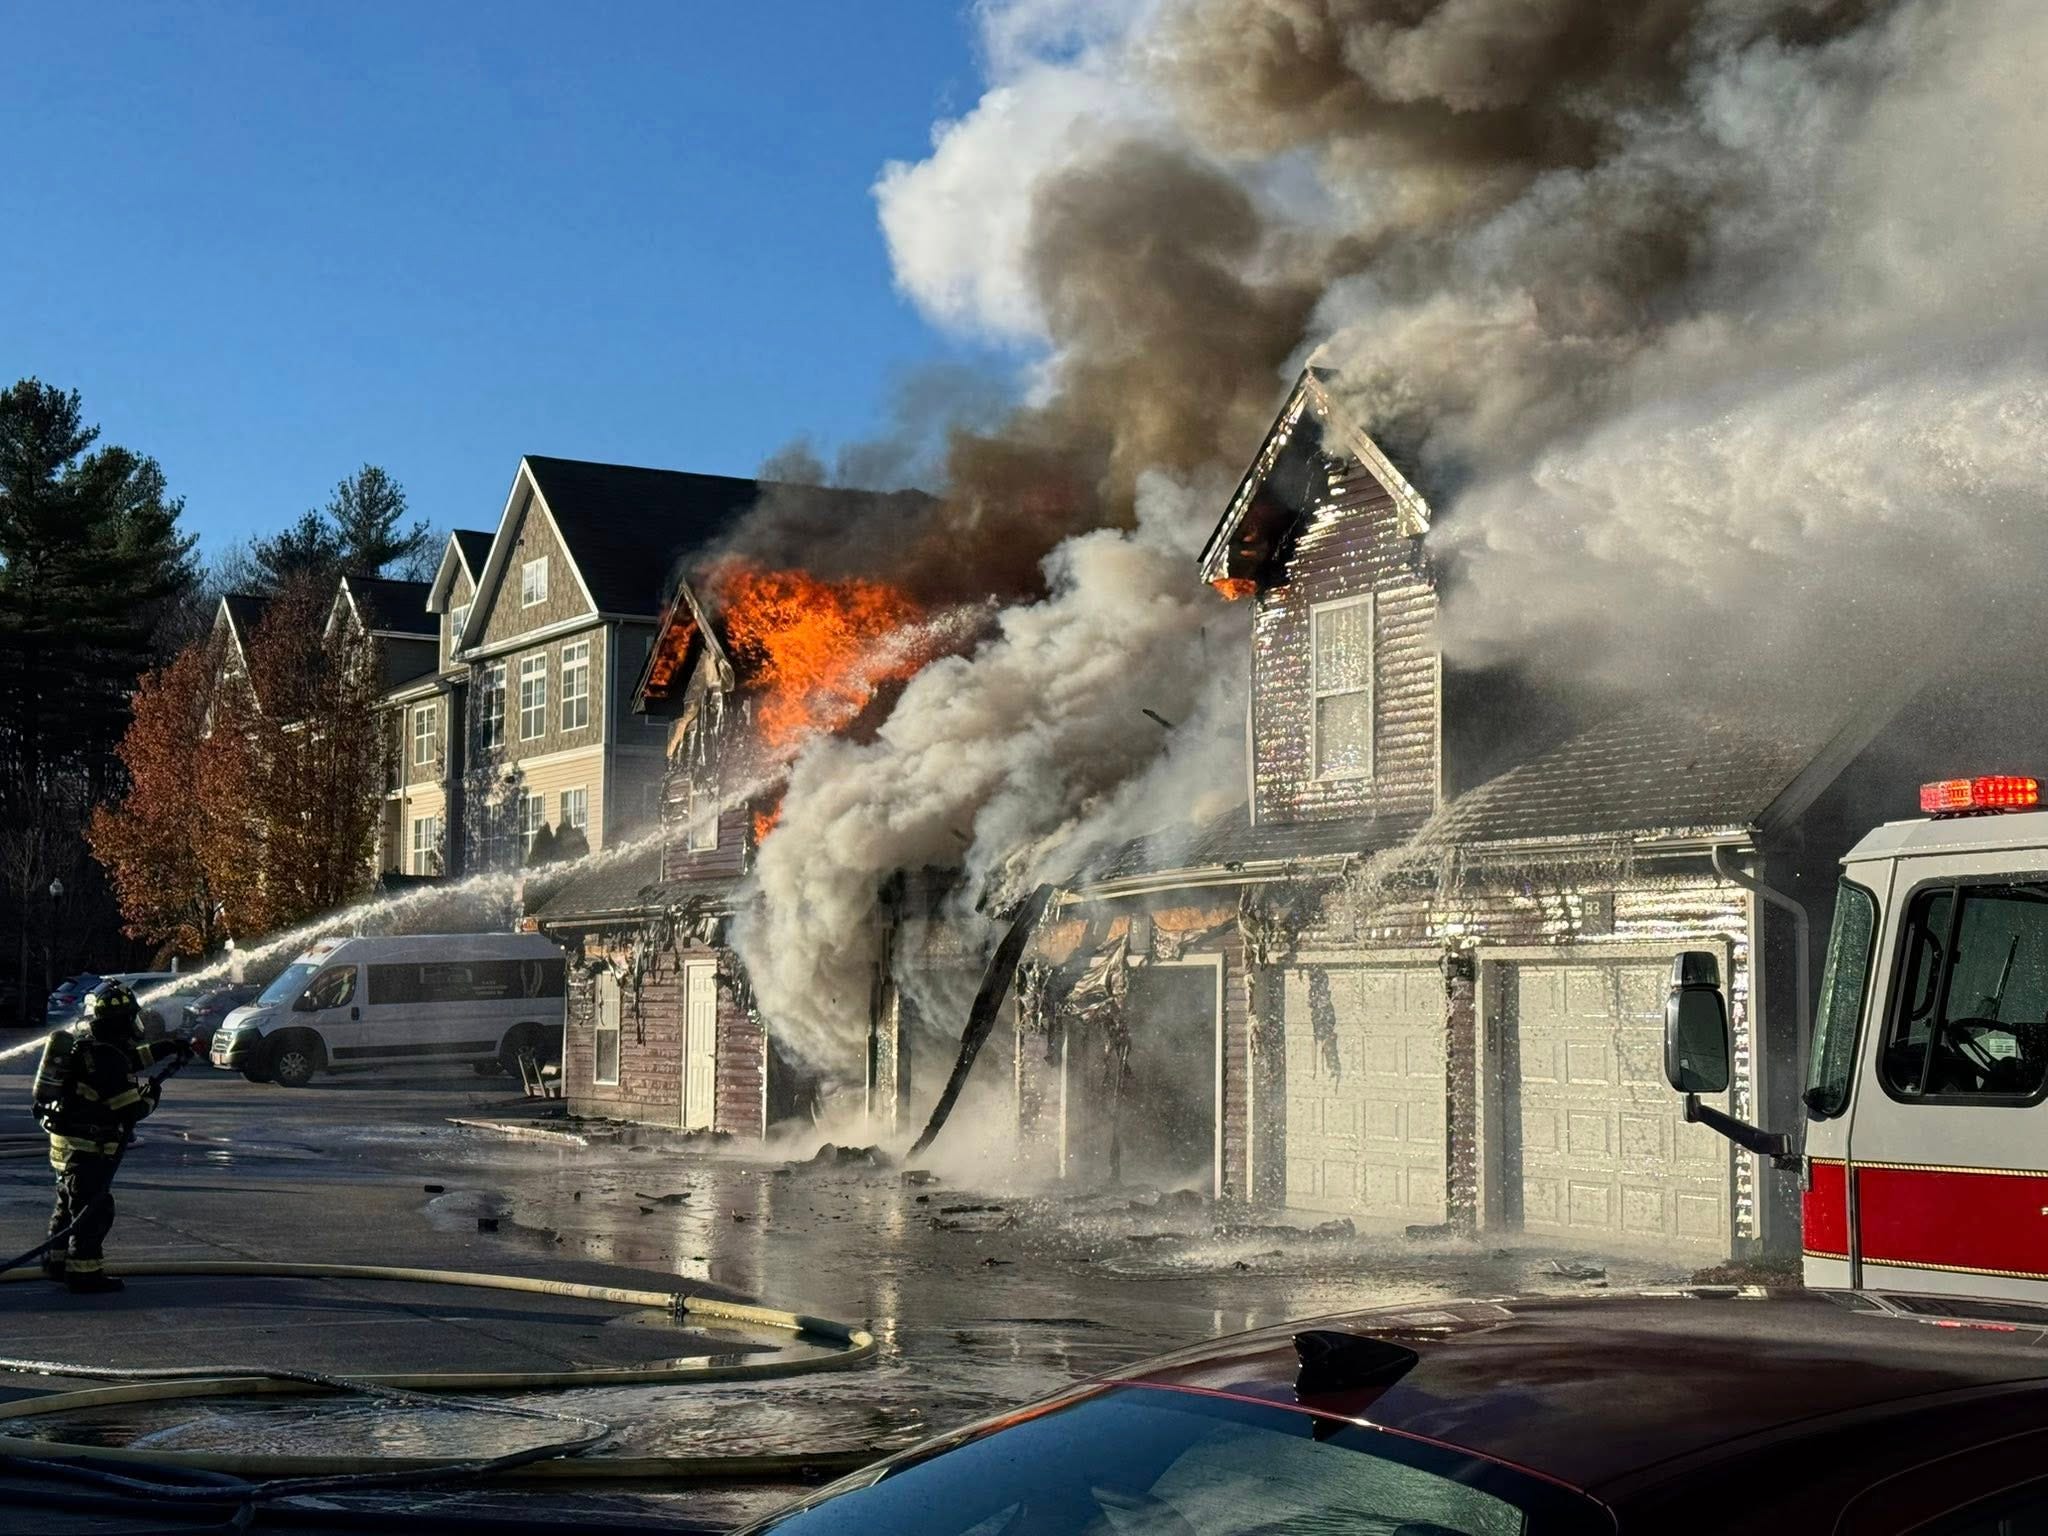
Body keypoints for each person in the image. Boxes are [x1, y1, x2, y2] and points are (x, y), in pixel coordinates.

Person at [31, 983, 191, 1294]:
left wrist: (168, 1047)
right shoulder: (108, 1058)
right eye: (131, 1018)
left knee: (68, 1206)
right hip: (89, 1151)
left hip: (65, 1148)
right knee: (94, 1212)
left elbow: (130, 1059)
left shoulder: (92, 1048)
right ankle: (84, 1273)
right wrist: (153, 1095)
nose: (135, 1024)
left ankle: (56, 1262)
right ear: (121, 1022)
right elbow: (129, 1110)